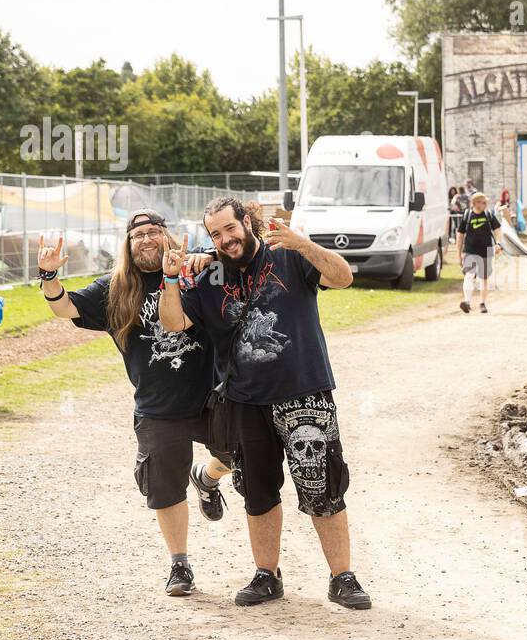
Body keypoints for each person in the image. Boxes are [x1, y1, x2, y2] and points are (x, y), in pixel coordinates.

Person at [159, 197, 372, 611]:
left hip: (305, 393)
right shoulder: (210, 272)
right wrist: (170, 279)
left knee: (323, 487)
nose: (225, 239)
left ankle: (342, 577)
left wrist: (304, 244)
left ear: (248, 222)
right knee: (257, 493)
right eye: (216, 234)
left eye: (230, 229)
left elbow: (343, 277)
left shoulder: (288, 255)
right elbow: (173, 323)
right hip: (245, 401)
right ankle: (266, 575)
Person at [37, 210, 233, 598]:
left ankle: (207, 477)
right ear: (128, 244)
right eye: (138, 234)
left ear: (167, 237)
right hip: (158, 406)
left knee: (236, 454)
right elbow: (64, 307)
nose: (146, 239)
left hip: (212, 395)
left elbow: (236, 263)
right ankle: (180, 564)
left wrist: (211, 257)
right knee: (165, 488)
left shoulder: (195, 268)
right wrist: (49, 276)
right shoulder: (114, 288)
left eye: (154, 232)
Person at [457, 192, 503, 314]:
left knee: (483, 278)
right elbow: (460, 235)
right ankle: (466, 302)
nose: (484, 204)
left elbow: (498, 230)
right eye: (482, 202)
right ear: (475, 203)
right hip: (470, 251)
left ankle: (482, 303)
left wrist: (498, 243)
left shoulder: (488, 215)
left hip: (486, 251)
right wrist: (458, 253)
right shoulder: (467, 216)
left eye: (485, 202)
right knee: (469, 275)